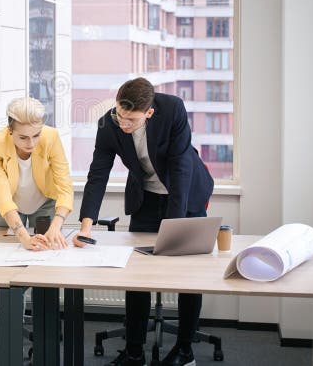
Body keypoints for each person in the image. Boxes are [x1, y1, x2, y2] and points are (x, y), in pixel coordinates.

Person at [74, 78, 214, 366]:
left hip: (185, 193)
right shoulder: (108, 123)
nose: (123, 124)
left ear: (148, 113)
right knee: (136, 274)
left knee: (187, 273)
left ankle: (184, 350)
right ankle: (134, 351)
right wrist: (86, 227)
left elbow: (181, 167)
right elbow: (97, 174)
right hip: (146, 198)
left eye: (131, 120)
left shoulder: (173, 109)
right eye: (120, 116)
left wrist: (173, 230)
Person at [0, 97, 74, 251]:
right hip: (9, 205)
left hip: (44, 201)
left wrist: (56, 225)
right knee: (1, 250)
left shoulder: (51, 137)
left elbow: (65, 186)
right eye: (23, 137)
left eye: (36, 135)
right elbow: (2, 195)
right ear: (10, 130)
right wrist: (24, 237)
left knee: (47, 248)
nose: (31, 144)